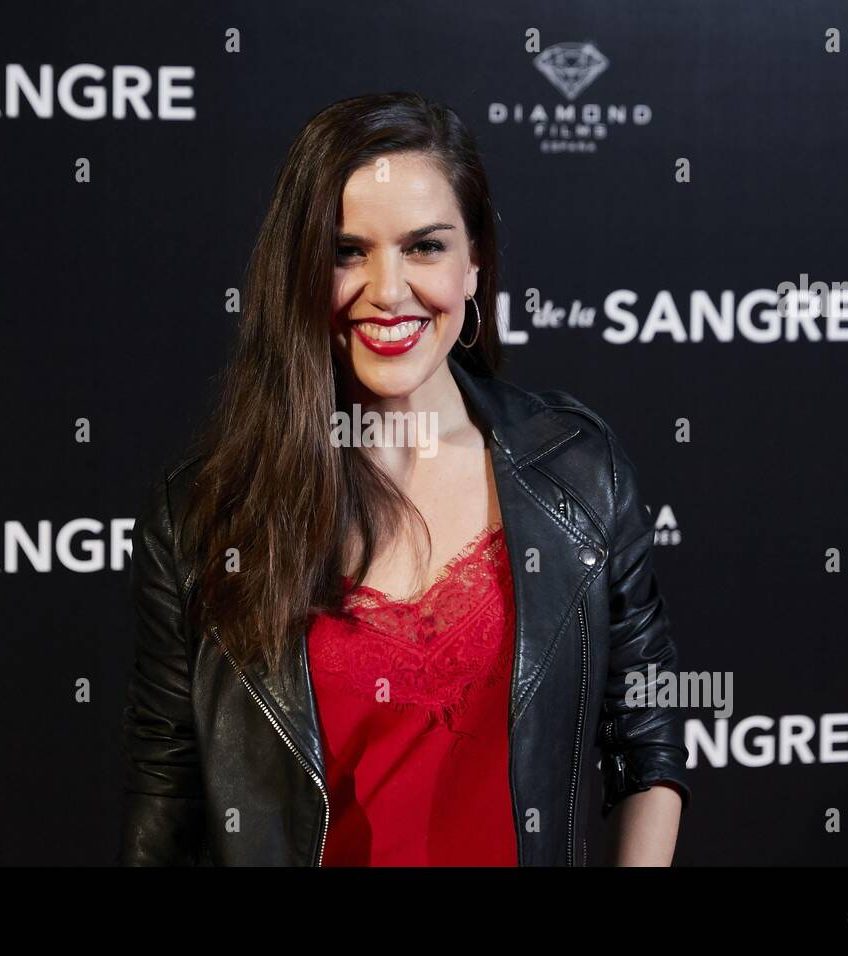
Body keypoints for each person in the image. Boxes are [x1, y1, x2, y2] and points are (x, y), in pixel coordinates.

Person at [119, 91, 691, 866]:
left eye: (425, 247)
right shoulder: (203, 518)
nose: (388, 291)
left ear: (474, 261)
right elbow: (168, 807)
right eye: (346, 251)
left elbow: (646, 737)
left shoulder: (579, 471)